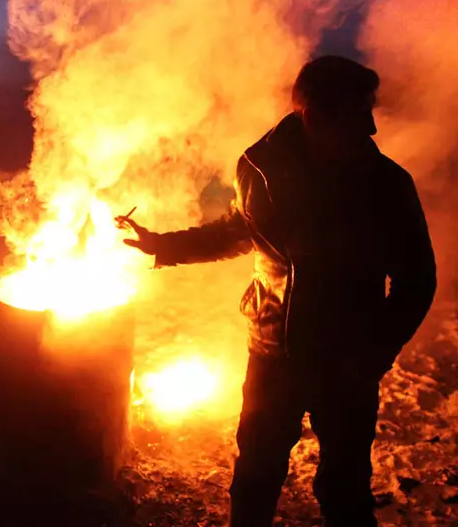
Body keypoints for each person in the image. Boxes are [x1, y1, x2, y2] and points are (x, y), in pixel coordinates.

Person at [119, 56, 437, 527]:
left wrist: (373, 355)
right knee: (256, 476)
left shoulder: (387, 185)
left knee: (345, 485)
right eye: (357, 112)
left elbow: (417, 280)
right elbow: (241, 230)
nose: (370, 127)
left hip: (346, 361)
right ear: (315, 116)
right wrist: (165, 246)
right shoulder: (258, 167)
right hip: (272, 351)